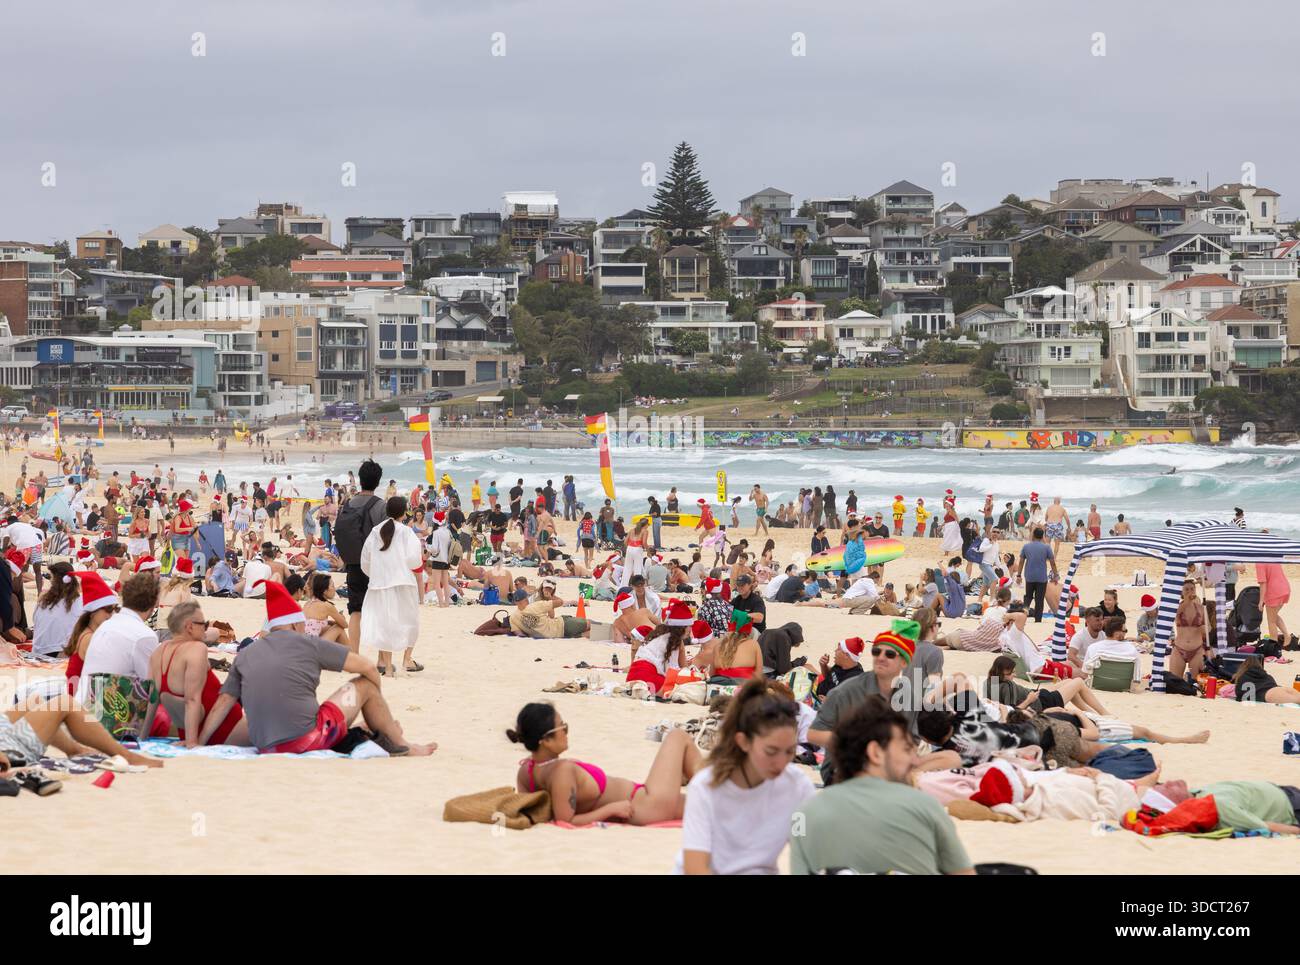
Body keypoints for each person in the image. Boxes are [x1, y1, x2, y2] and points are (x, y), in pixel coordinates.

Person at [204, 582, 435, 755]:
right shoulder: (308, 644)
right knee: (365, 686)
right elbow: (367, 667)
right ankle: (402, 745)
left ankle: (370, 727)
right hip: (308, 739)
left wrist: (197, 742)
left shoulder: (246, 653)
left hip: (266, 746)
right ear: (295, 623)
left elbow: (222, 705)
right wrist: (379, 709)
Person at [790, 699, 974, 875]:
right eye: (905, 749)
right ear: (876, 753)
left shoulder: (806, 814)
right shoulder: (923, 806)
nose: (914, 759)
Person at [678, 677, 814, 874]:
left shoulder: (798, 787)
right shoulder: (707, 786)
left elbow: (805, 853)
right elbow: (695, 867)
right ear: (743, 742)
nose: (782, 762)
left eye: (789, 751)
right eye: (771, 751)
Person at [510, 702, 700, 826]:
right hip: (645, 805)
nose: (567, 732)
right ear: (546, 740)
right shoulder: (562, 772)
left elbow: (534, 809)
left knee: (711, 807)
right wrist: (610, 810)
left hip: (644, 799)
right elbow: (566, 820)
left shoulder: (526, 770)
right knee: (678, 736)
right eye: (563, 728)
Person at [806, 628, 916, 784]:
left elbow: (912, 740)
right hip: (844, 769)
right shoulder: (846, 691)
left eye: (889, 654)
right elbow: (813, 733)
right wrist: (853, 742)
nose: (881, 657)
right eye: (877, 652)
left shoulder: (908, 696)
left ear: (904, 662)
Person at [145, 601, 248, 747]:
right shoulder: (197, 649)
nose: (206, 629)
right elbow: (192, 700)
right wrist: (193, 744)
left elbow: (151, 700)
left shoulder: (158, 652)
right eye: (204, 625)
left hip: (189, 731)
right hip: (227, 727)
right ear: (189, 627)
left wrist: (143, 737)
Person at [74, 572, 161, 704]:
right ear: (153, 603)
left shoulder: (105, 626)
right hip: (107, 714)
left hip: (84, 705)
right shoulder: (144, 635)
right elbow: (151, 686)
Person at [336, 460, 390, 659]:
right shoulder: (380, 506)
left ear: (360, 479)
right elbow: (387, 538)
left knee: (356, 611)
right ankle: (382, 660)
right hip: (375, 565)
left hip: (352, 563)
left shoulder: (347, 504)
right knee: (380, 613)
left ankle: (354, 656)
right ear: (378, 481)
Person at [31, 562, 83, 659]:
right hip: (63, 652)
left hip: (39, 651)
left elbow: (36, 621)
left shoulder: (43, 599)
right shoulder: (79, 601)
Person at [510, 588, 590, 638]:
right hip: (562, 625)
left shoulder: (513, 618)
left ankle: (599, 633)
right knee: (591, 624)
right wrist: (549, 597)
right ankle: (601, 631)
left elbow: (520, 634)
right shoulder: (537, 605)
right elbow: (560, 602)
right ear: (526, 598)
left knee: (587, 634)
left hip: (559, 636)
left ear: (515, 602)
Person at [1170, 579, 1207, 681]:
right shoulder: (1178, 607)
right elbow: (1175, 614)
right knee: (1175, 682)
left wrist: (1203, 628)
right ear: (1181, 592)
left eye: (1192, 589)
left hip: (1197, 649)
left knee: (1197, 682)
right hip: (1179, 649)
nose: (1190, 591)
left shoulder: (1201, 608)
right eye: (1186, 589)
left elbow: (1208, 629)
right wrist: (1187, 600)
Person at [1017, 527, 1057, 621]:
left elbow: (1021, 561)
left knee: (1028, 597)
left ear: (1033, 535)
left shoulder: (1026, 547)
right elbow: (1052, 563)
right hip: (1042, 578)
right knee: (1039, 599)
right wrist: (1055, 575)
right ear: (1042, 536)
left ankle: (1024, 616)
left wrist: (1019, 575)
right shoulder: (1047, 547)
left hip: (1029, 576)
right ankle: (1038, 619)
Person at [1232, 655, 1299, 704]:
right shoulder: (1266, 675)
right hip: (1282, 688)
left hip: (1270, 694)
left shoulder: (1243, 677)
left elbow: (1240, 694)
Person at [1256, 559, 1291, 645]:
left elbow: (1263, 583)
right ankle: (1287, 636)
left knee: (1271, 620)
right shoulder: (1271, 557)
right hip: (1285, 588)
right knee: (1273, 616)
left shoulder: (1259, 562)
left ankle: (1273, 643)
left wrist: (1261, 601)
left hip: (1274, 592)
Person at [425, 510, 453, 607]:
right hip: (446, 560)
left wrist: (427, 546)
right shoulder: (448, 532)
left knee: (437, 583)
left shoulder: (436, 533)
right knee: (445, 583)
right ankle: (447, 603)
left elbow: (435, 549)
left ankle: (441, 603)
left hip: (437, 560)